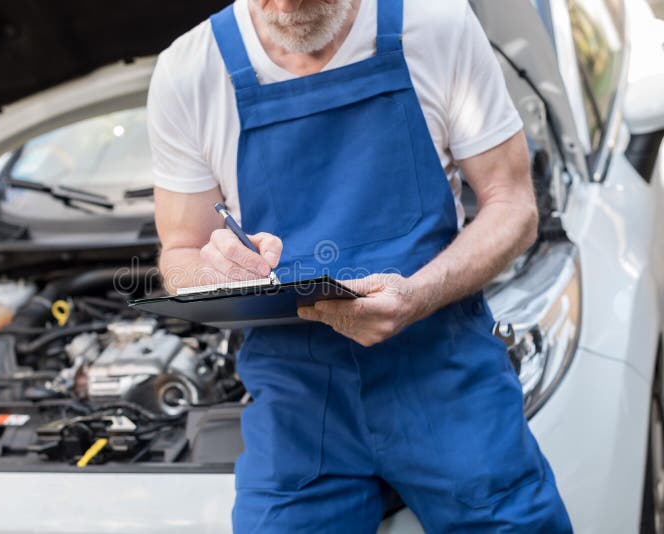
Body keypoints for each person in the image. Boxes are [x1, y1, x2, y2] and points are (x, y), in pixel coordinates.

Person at [147, 0, 573, 531]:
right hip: (298, 402)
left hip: (446, 373)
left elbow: (513, 206)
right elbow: (182, 251)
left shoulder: (436, 26)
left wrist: (418, 294)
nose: (285, 7)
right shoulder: (188, 71)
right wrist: (215, 273)